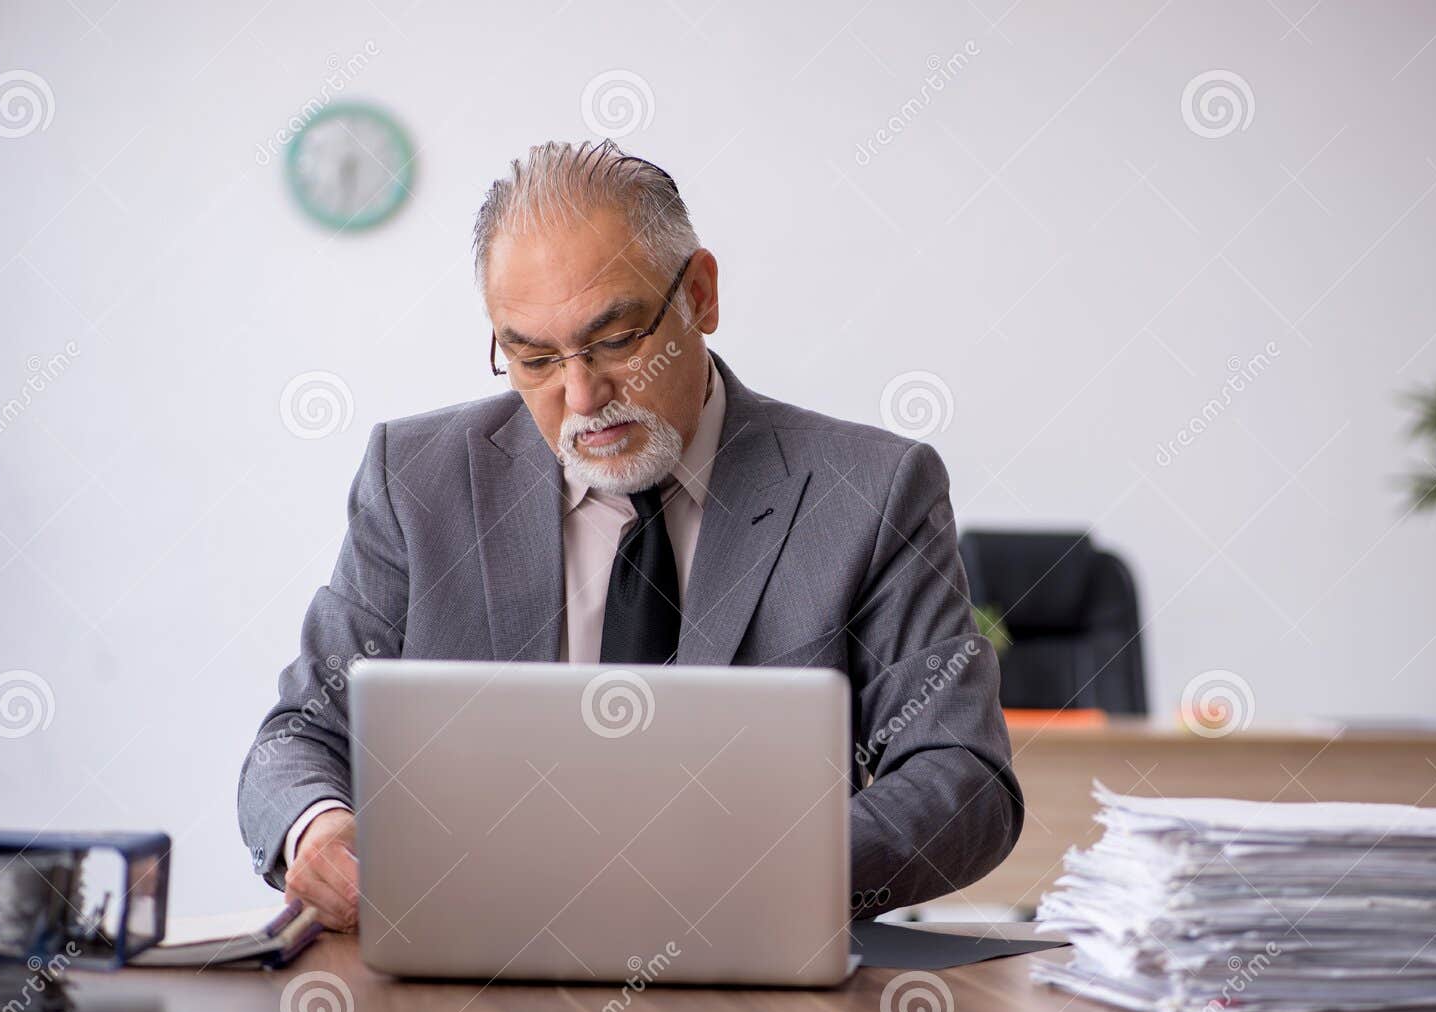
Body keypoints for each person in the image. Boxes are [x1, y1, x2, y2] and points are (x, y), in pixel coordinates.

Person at [237, 139, 1022, 931]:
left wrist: (757, 873)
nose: (581, 396)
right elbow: (299, 736)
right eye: (533, 357)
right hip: (471, 982)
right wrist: (320, 825)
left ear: (702, 296)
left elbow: (963, 778)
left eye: (615, 341)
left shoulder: (870, 491)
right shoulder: (417, 482)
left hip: (759, 976)